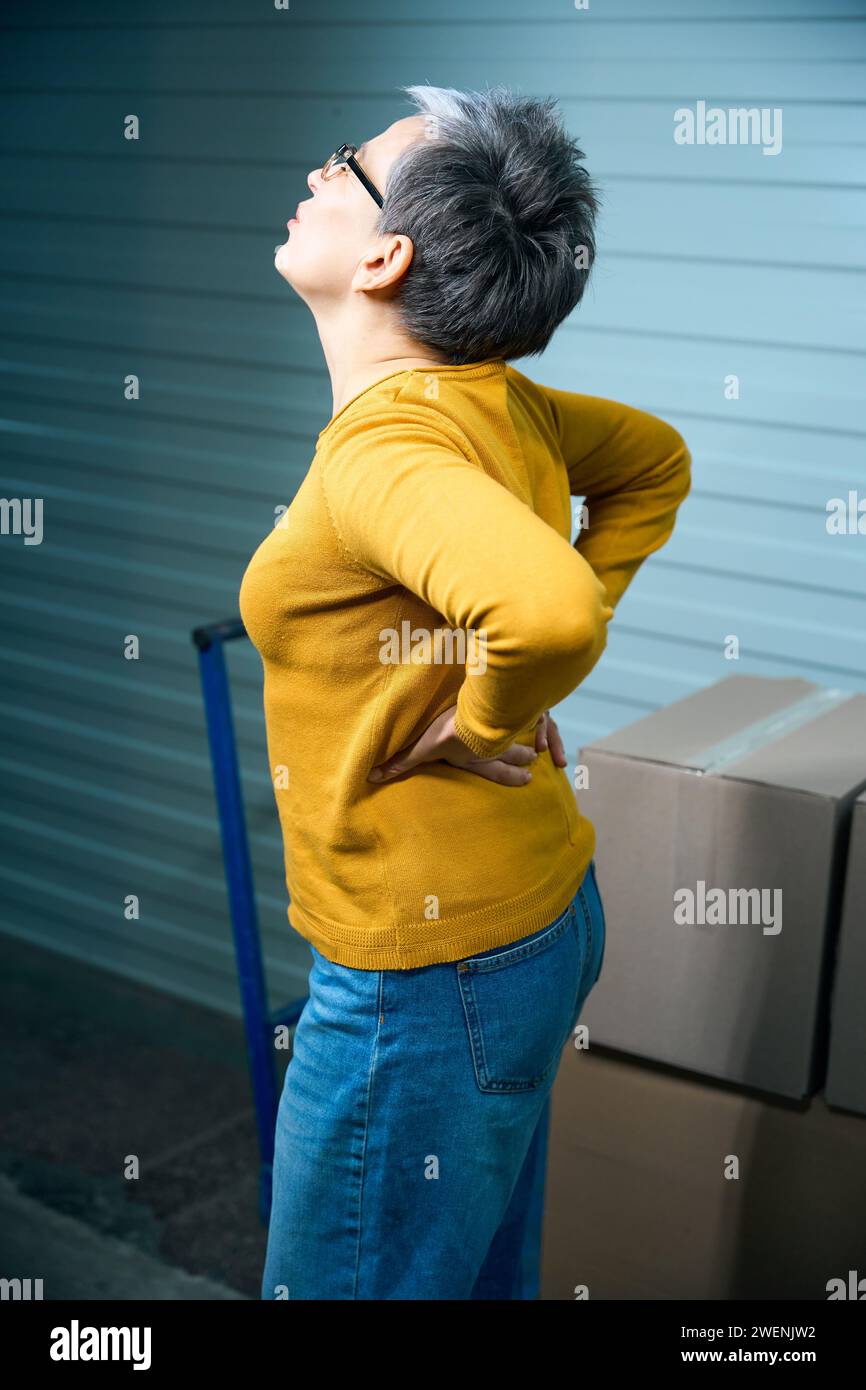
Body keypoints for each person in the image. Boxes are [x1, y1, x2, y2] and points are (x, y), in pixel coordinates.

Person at [240, 83, 691, 1300]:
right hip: (527, 927)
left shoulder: (386, 447)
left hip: (426, 979)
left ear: (384, 256)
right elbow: (655, 461)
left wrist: (490, 707)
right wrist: (511, 671)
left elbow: (537, 611)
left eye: (349, 162)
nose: (319, 169)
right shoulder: (502, 404)